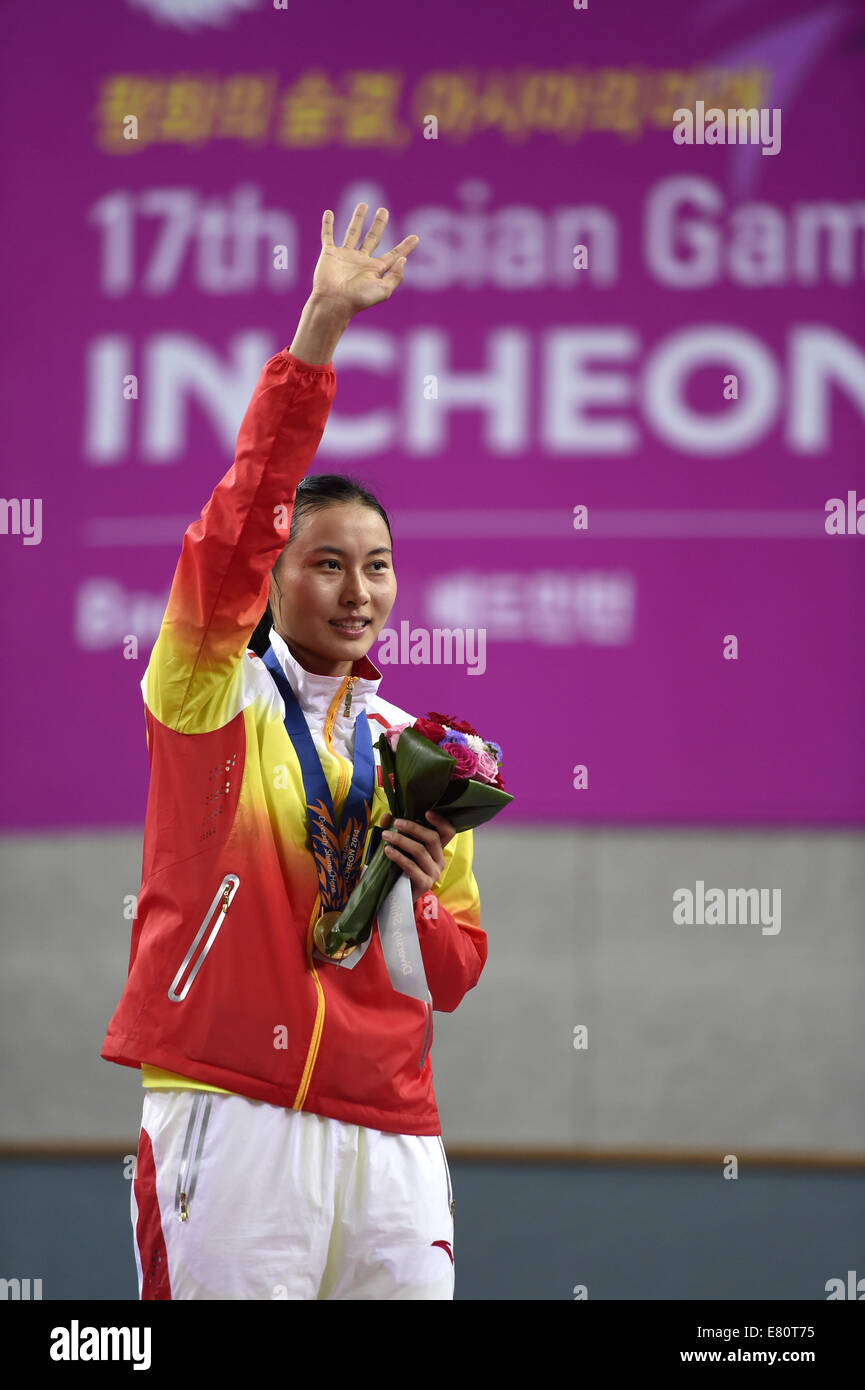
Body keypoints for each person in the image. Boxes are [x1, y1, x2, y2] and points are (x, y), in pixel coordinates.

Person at [101, 203, 487, 1301]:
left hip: (393, 1135)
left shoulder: (416, 751)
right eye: (325, 562)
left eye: (377, 566)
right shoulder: (207, 694)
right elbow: (233, 526)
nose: (357, 590)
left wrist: (411, 889)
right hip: (231, 1112)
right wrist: (318, 334)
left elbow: (451, 974)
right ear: (272, 578)